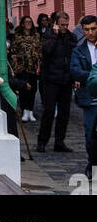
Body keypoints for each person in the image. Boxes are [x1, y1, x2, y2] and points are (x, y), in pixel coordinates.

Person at [37, 11, 78, 154]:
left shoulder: (71, 37)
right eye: (62, 25)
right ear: (55, 24)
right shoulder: (48, 36)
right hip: (50, 80)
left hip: (66, 80)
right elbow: (46, 51)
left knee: (64, 114)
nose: (64, 27)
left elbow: (74, 56)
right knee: (48, 112)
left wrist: (73, 78)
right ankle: (42, 141)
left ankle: (59, 142)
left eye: (66, 25)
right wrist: (55, 35)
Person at [70, 14, 97, 172]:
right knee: (90, 135)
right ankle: (92, 164)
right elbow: (75, 71)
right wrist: (93, 75)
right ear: (82, 30)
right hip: (89, 99)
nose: (90, 32)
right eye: (87, 30)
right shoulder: (79, 50)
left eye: (93, 29)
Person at [10, 15, 41, 122]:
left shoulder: (36, 35)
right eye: (26, 22)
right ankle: (24, 111)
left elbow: (39, 51)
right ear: (22, 24)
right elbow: (13, 52)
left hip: (33, 67)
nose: (29, 24)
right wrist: (16, 65)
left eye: (30, 22)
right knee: (23, 89)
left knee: (32, 89)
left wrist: (38, 64)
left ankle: (30, 111)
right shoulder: (18, 36)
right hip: (21, 67)